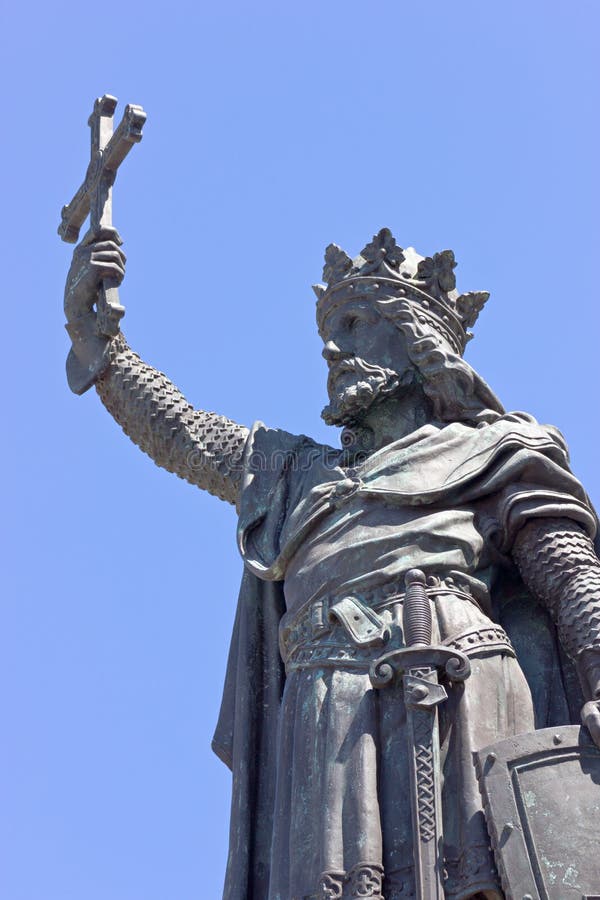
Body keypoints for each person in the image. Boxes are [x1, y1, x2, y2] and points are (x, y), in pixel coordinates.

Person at [64, 226, 600, 900]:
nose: (331, 348)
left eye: (353, 325)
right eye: (328, 332)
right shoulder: (293, 471)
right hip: (325, 703)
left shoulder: (495, 450)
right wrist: (96, 337)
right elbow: (182, 431)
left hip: (456, 679)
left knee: (476, 882)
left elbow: (570, 575)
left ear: (416, 342)